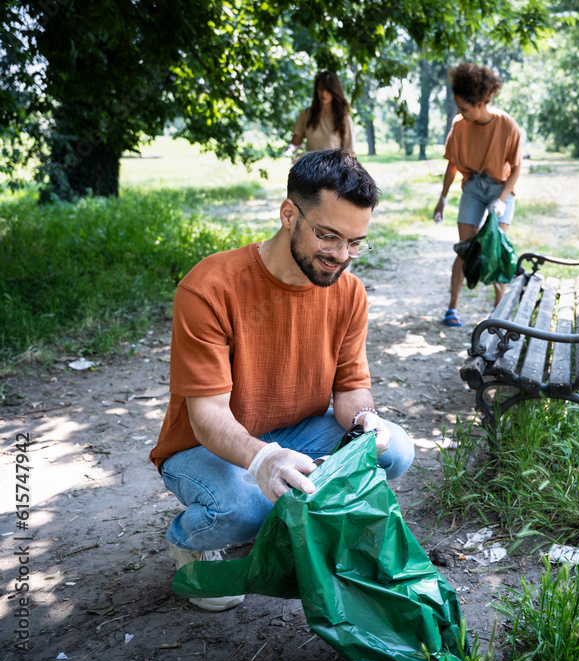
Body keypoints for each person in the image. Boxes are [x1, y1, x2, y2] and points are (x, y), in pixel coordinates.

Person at [149, 149, 414, 612]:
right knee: (244, 508)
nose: (342, 257)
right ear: (289, 213)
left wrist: (366, 420)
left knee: (394, 450)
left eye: (356, 242)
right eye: (329, 236)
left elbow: (351, 388)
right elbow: (207, 416)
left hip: (299, 430)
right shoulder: (209, 287)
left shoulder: (349, 292)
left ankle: (291, 519)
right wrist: (264, 459)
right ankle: (188, 540)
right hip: (203, 445)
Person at [432, 62, 522, 327]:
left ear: (481, 103)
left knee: (494, 250)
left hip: (500, 188)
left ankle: (498, 311)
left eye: (464, 108)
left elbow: (516, 169)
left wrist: (501, 200)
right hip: (472, 186)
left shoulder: (507, 126)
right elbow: (452, 164)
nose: (460, 113)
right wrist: (443, 199)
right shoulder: (460, 126)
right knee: (465, 250)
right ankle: (452, 308)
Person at [284, 71, 355, 159]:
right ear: (316, 89)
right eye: (321, 88)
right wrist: (290, 150)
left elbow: (350, 153)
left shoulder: (344, 118)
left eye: (328, 89)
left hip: (333, 170)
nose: (324, 93)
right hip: (311, 169)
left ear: (334, 91)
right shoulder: (306, 114)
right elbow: (295, 143)